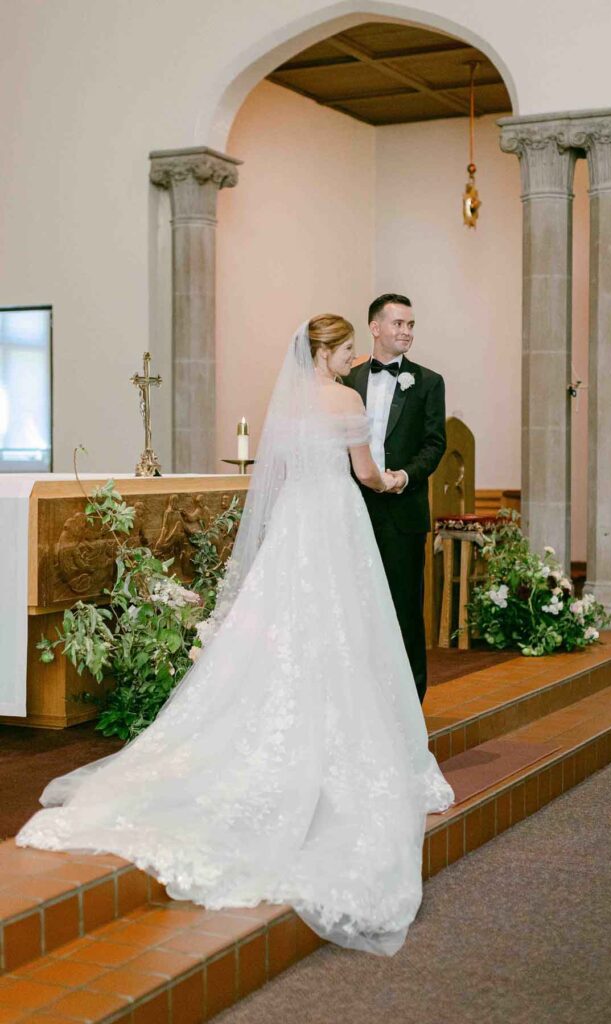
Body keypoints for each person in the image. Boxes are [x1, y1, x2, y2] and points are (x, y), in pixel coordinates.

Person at [17, 315, 453, 957]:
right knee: (344, 632)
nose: (352, 356)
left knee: (282, 632)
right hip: (336, 523)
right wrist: (391, 481)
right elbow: (364, 472)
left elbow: (273, 478)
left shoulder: (290, 402)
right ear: (328, 353)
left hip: (294, 525)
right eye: (344, 349)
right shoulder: (347, 399)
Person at [346, 295, 446, 702]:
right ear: (375, 328)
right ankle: (362, 701)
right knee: (356, 607)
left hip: (403, 514)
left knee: (405, 611)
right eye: (399, 324)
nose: (406, 332)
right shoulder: (347, 381)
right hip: (352, 510)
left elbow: (434, 444)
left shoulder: (428, 382)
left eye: (411, 325)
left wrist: (404, 476)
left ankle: (410, 705)